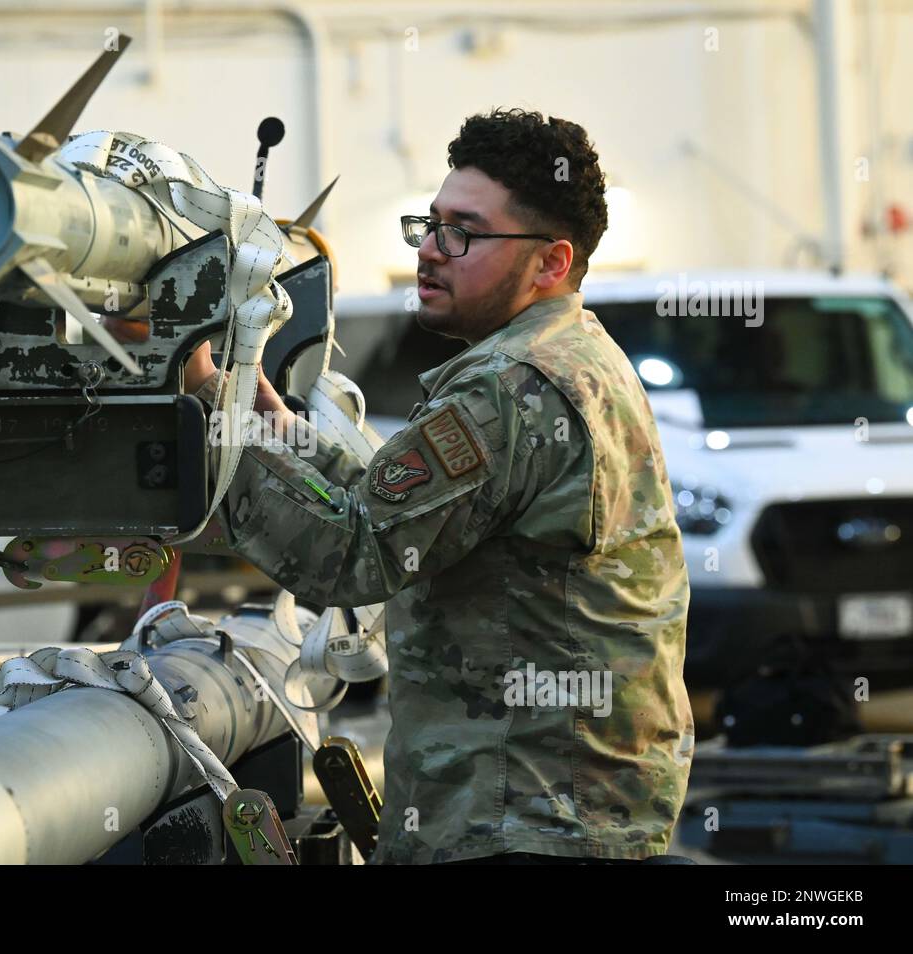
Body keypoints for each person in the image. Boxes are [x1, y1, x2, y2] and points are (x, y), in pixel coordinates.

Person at [179, 108, 695, 864]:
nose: (429, 250)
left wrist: (201, 403)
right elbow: (395, 507)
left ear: (551, 262)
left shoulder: (510, 390)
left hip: (522, 822)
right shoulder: (572, 355)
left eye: (464, 232)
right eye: (429, 224)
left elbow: (353, 555)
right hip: (560, 813)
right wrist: (273, 426)